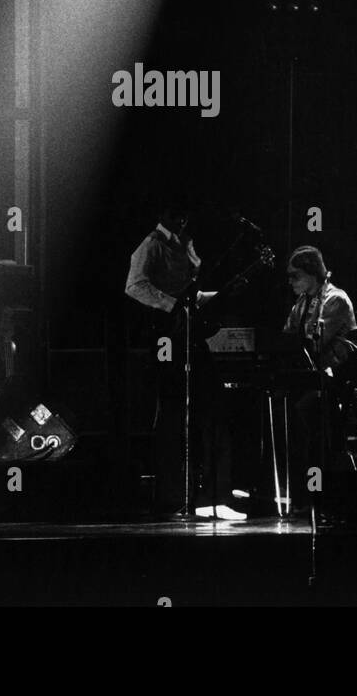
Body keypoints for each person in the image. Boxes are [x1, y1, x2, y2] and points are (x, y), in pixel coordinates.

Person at [125, 204, 243, 520]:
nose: (183, 220)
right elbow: (135, 285)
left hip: (187, 334)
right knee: (175, 410)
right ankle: (176, 494)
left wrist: (218, 295)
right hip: (167, 337)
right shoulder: (152, 244)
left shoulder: (182, 242)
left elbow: (191, 291)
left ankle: (212, 493)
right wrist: (173, 306)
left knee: (209, 407)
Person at [283, 245, 357, 510]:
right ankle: (290, 489)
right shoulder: (301, 303)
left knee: (303, 412)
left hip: (334, 382)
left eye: (295, 275)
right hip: (310, 379)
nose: (290, 281)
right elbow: (286, 339)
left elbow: (315, 343)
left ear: (312, 274)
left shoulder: (335, 299)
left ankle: (313, 493)